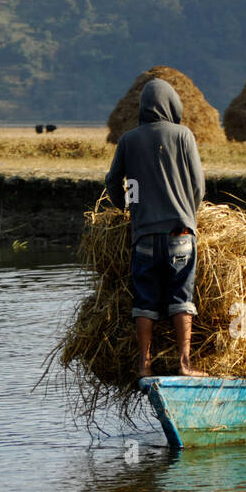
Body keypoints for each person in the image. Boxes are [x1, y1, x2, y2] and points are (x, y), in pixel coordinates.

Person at [105, 78, 207, 378]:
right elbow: (198, 185)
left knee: (145, 300)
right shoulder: (183, 135)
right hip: (180, 234)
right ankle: (185, 363)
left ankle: (144, 363)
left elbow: (113, 182)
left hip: (144, 236)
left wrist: (126, 209)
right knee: (181, 297)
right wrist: (190, 214)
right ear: (171, 105)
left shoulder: (128, 140)